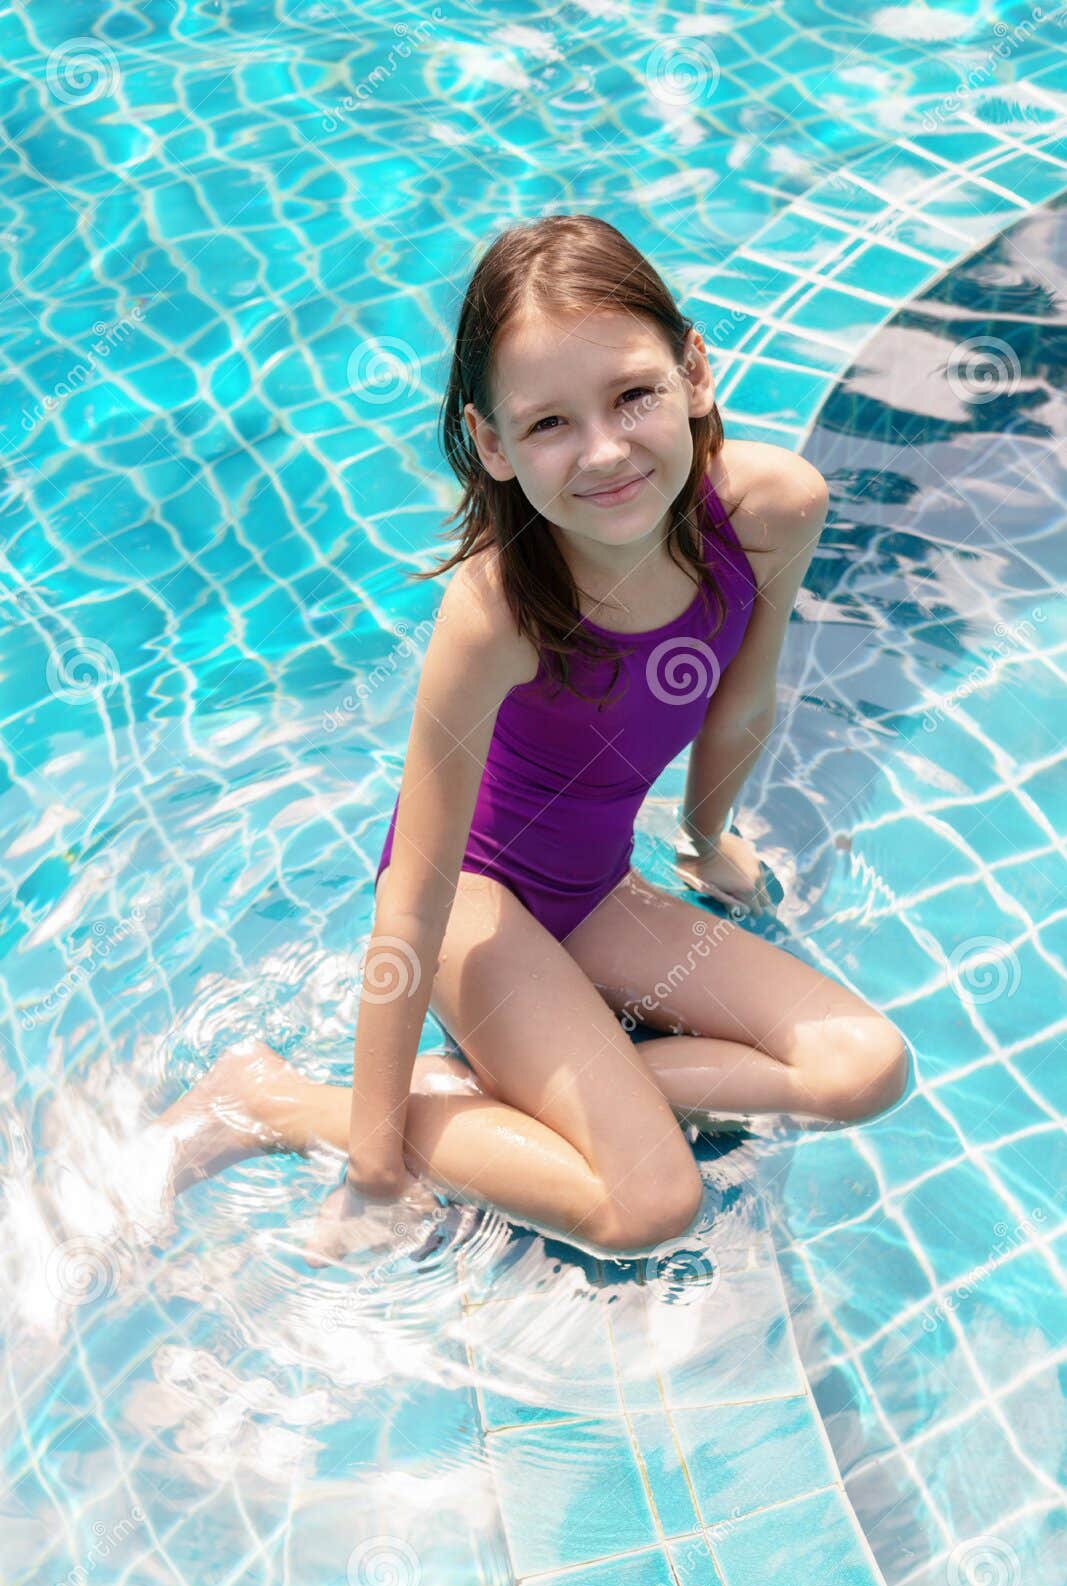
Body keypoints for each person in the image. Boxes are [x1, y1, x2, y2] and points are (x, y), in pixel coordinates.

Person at [159, 214, 911, 1266]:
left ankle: (522, 1100)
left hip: (594, 895)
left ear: (693, 371)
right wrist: (374, 1173)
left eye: (631, 396)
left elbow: (742, 701)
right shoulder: (498, 611)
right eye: (549, 422)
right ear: (492, 445)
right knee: (648, 1206)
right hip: (477, 914)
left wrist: (709, 844)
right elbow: (412, 889)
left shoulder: (770, 508)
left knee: (862, 1065)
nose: (603, 451)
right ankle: (278, 1100)